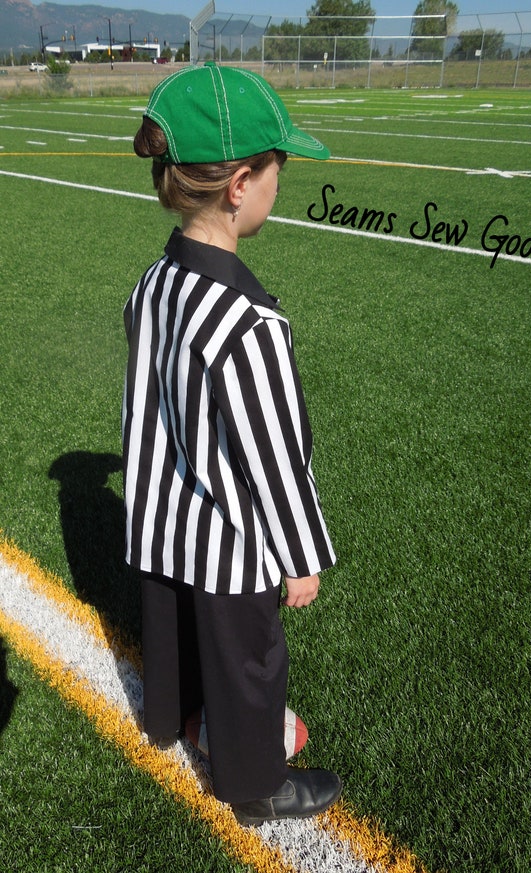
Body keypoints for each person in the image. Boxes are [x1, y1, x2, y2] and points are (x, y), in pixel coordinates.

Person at [122, 63, 341, 826]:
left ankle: (173, 718)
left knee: (175, 629)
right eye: (278, 166)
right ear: (242, 183)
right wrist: (300, 553)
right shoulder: (250, 322)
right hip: (230, 540)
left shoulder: (153, 282)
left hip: (161, 520)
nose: (283, 181)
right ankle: (254, 783)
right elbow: (273, 452)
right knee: (252, 658)